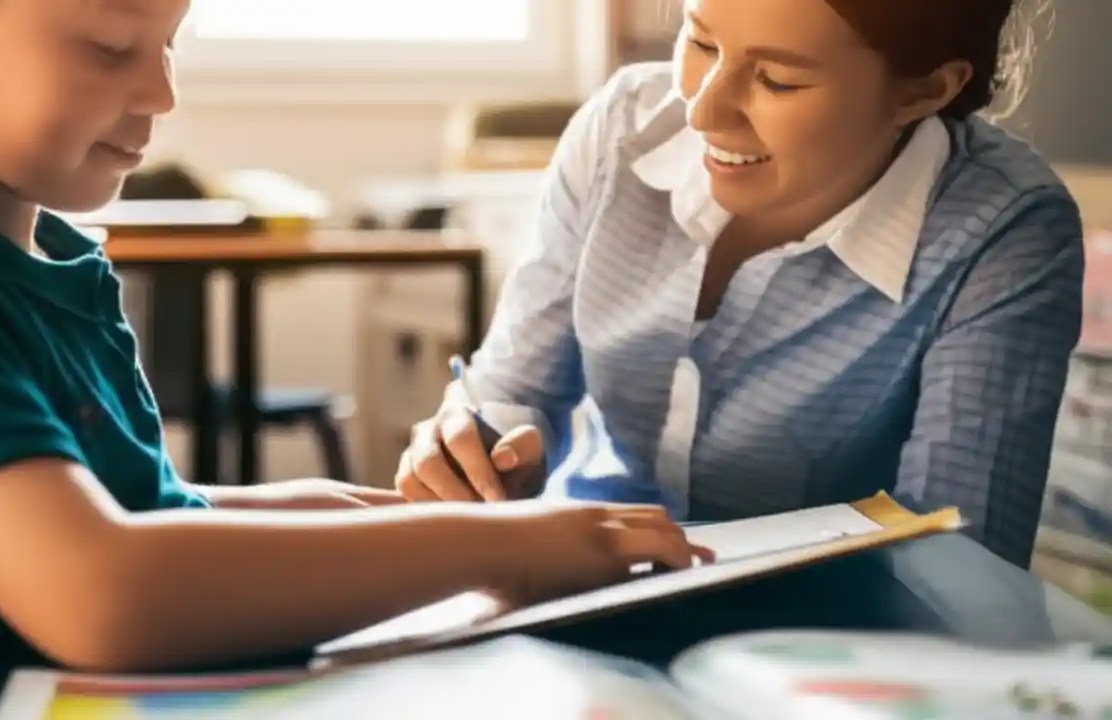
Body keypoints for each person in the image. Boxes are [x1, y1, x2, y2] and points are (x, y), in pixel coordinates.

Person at [0, 0, 709, 717]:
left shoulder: (28, 263)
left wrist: (416, 524)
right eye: (111, 47)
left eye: (169, 44)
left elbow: (152, 513)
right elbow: (99, 591)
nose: (162, 92)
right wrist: (492, 551)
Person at [396, 0, 1084, 571]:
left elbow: (960, 558)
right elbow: (515, 392)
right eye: (699, 40)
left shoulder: (1002, 228)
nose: (703, 111)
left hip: (823, 637)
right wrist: (480, 447)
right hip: (579, 584)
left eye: (778, 81)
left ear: (924, 91)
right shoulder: (620, 132)